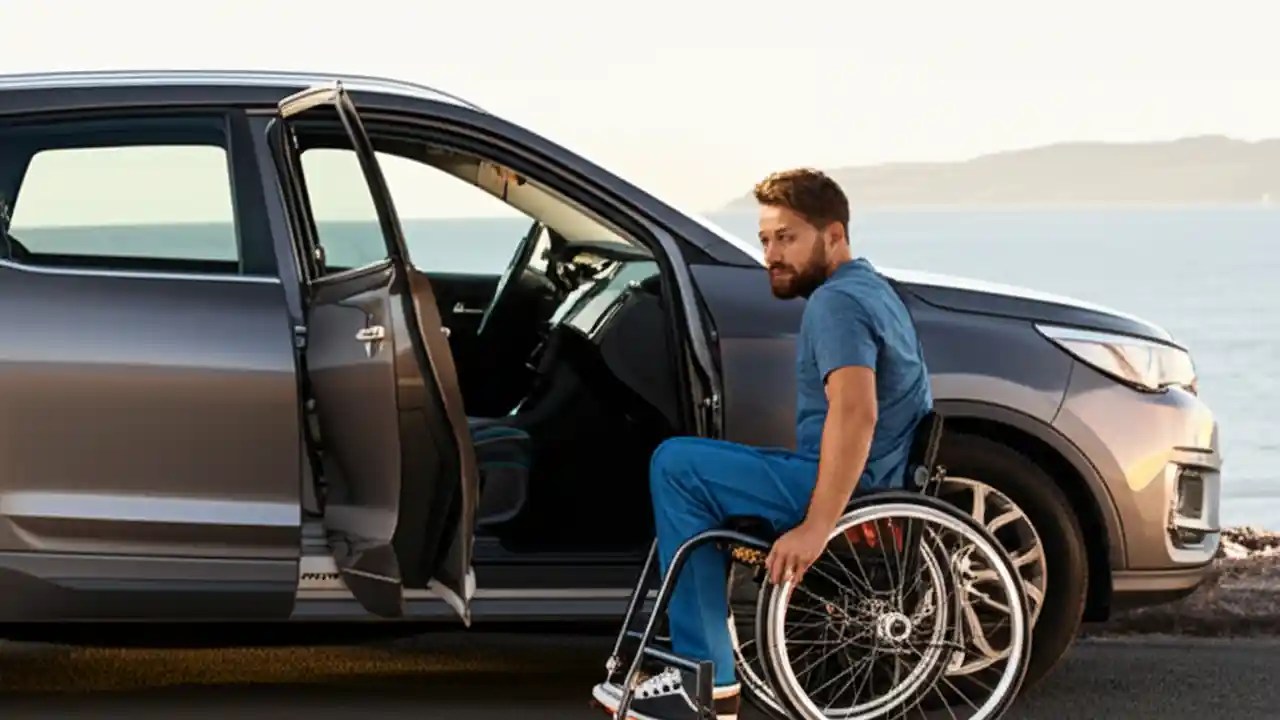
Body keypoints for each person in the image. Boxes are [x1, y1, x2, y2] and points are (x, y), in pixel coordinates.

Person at [591, 168, 933, 720]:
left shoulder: (837, 304)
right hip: (865, 478)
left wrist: (818, 525)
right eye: (766, 240)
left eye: (788, 238)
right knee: (696, 470)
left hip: (850, 489)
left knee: (677, 464)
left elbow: (856, 411)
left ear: (835, 236)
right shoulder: (873, 291)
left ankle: (704, 679)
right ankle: (704, 664)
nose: (771, 254)